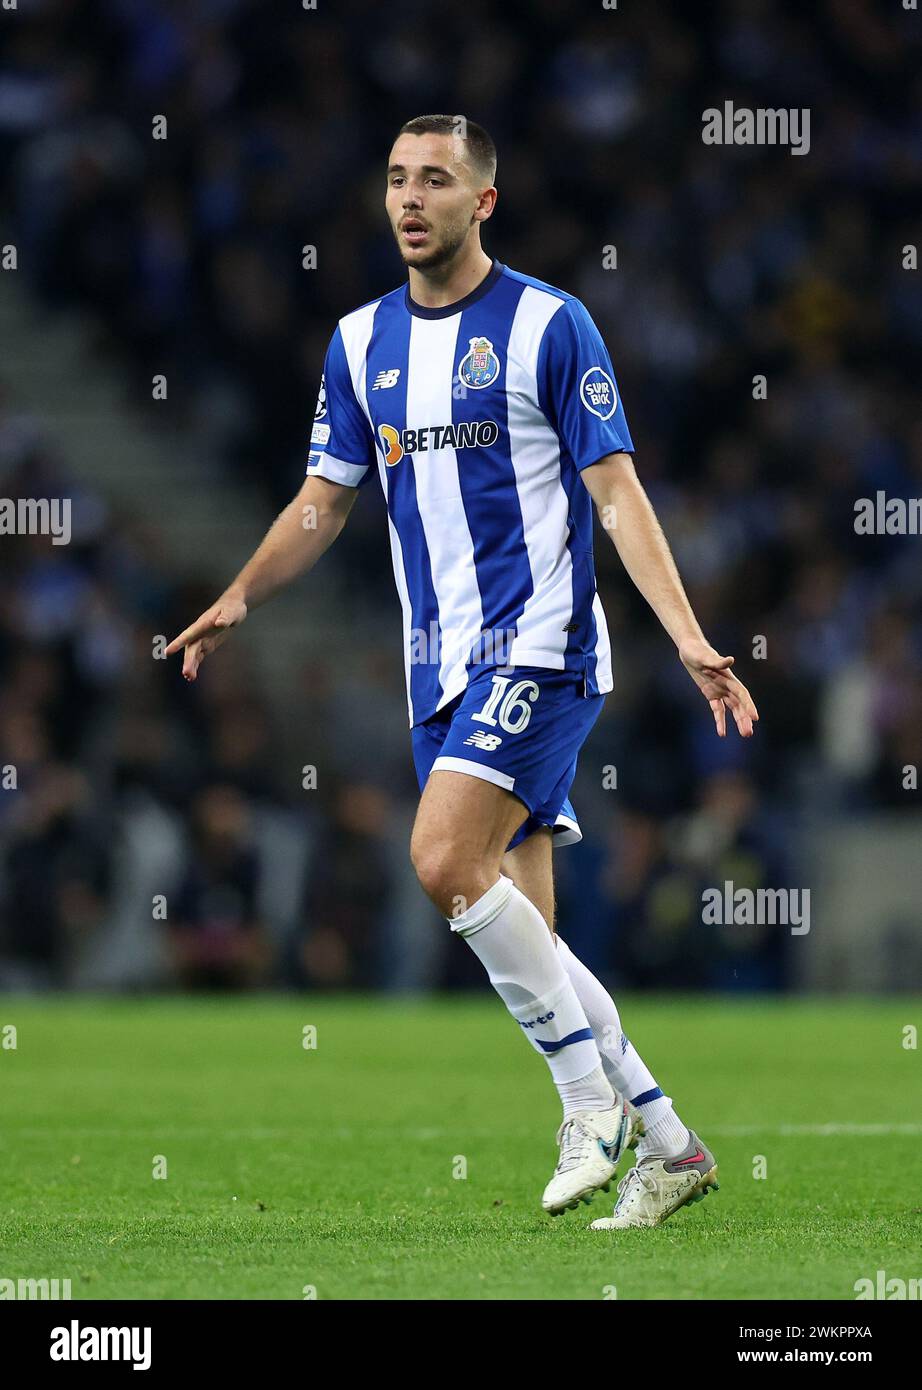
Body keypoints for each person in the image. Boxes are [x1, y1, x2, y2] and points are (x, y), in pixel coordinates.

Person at [166, 114, 759, 1229]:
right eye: (395, 178)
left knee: (440, 858)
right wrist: (242, 592)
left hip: (540, 645)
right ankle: (673, 1145)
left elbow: (617, 490)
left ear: (481, 201)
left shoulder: (548, 324)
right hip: (435, 673)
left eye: (435, 179)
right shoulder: (357, 343)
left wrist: (683, 633)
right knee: (523, 929)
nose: (409, 197)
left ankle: (587, 1105)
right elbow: (324, 497)